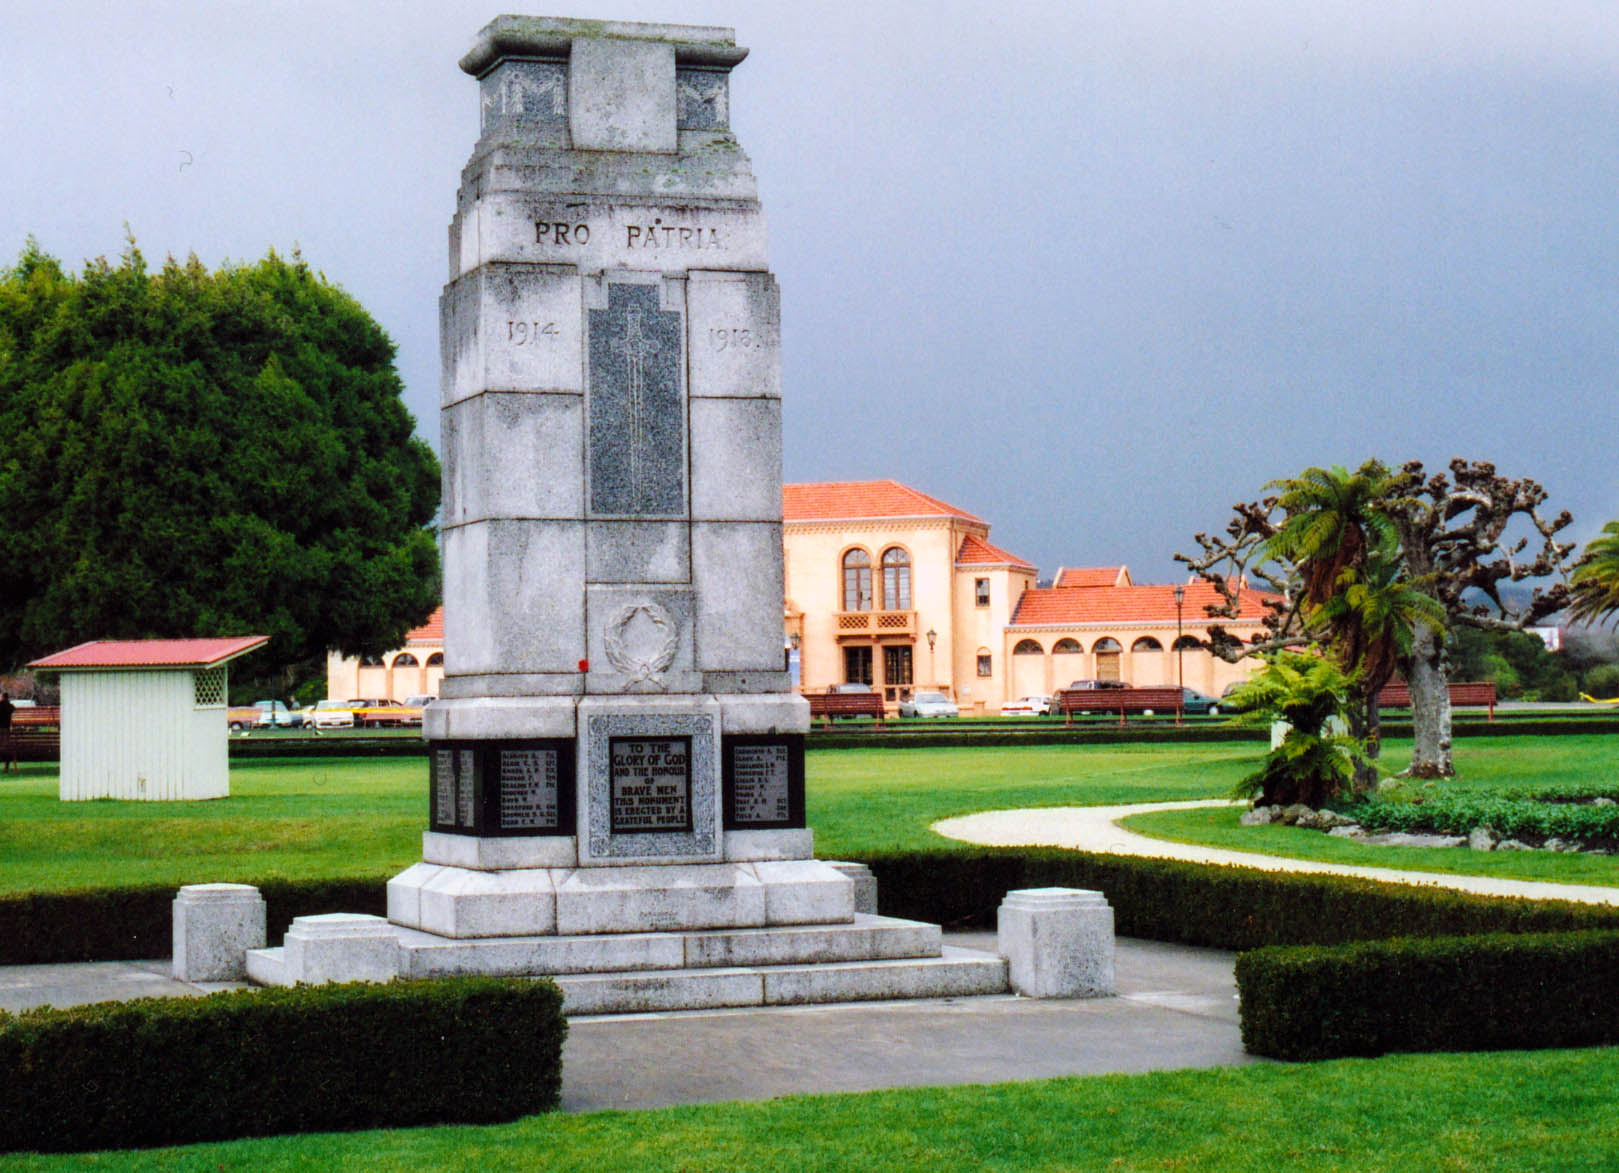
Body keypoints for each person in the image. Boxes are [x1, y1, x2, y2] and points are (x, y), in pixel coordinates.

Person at [0, 691, 16, 773]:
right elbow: (13, 709)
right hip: (6, 729)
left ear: (2, 697)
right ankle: (6, 767)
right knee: (6, 748)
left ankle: (6, 767)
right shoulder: (10, 706)